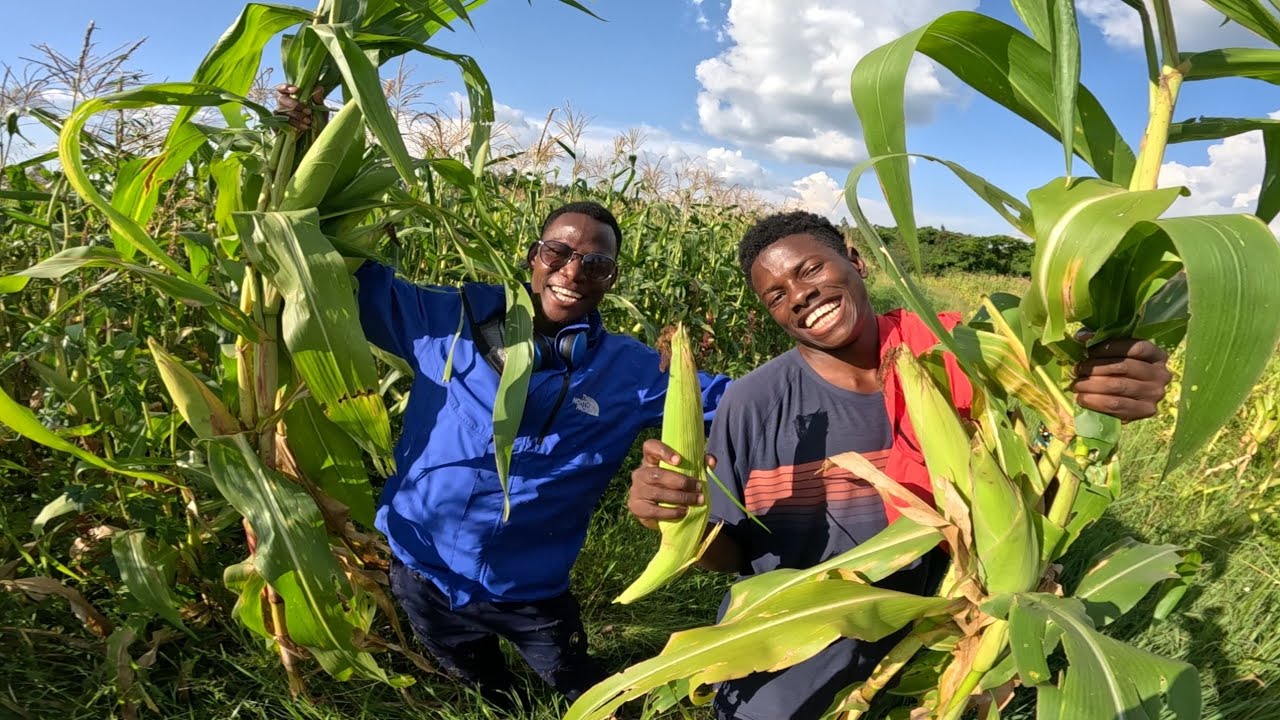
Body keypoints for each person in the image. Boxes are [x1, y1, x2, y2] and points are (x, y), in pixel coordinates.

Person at [275, 87, 731, 704]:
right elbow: (323, 267)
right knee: (475, 679)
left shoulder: (630, 369)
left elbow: (743, 400)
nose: (572, 272)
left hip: (532, 588)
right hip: (421, 568)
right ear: (532, 255)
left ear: (612, 279)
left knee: (579, 686)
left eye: (595, 265)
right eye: (558, 253)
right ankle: (493, 696)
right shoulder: (446, 318)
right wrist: (303, 143)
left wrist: (859, 365)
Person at [627, 211, 1173, 720]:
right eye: (776, 295)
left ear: (855, 260)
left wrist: (1104, 382)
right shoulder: (754, 403)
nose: (799, 295)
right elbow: (733, 556)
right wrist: (678, 521)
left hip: (937, 653)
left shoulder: (960, 357)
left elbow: (1049, 426)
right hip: (786, 658)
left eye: (810, 268)